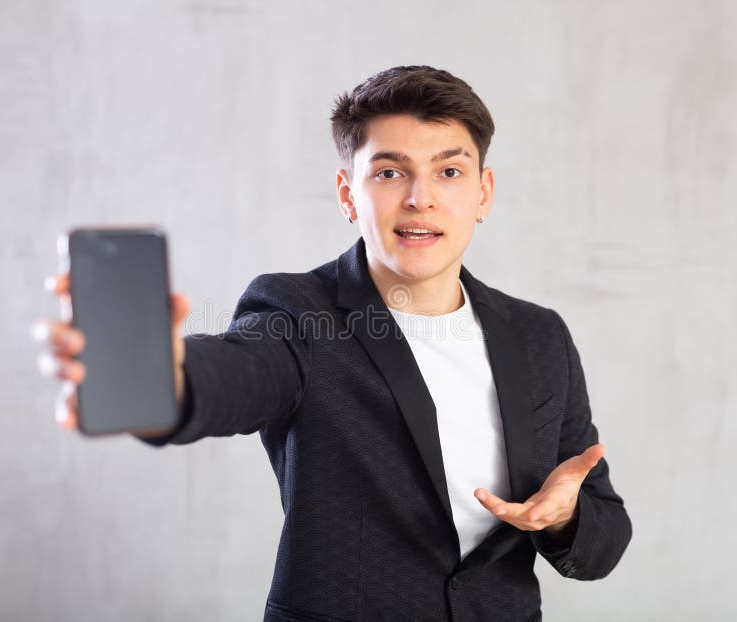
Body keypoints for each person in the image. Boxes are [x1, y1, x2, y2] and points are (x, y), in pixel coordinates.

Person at [32, 65, 632, 622]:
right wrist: (164, 375)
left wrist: (565, 517)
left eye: (449, 171)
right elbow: (236, 373)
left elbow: (603, 536)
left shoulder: (538, 335)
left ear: (483, 193)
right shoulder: (299, 314)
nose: (420, 197)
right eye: (390, 172)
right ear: (348, 193)